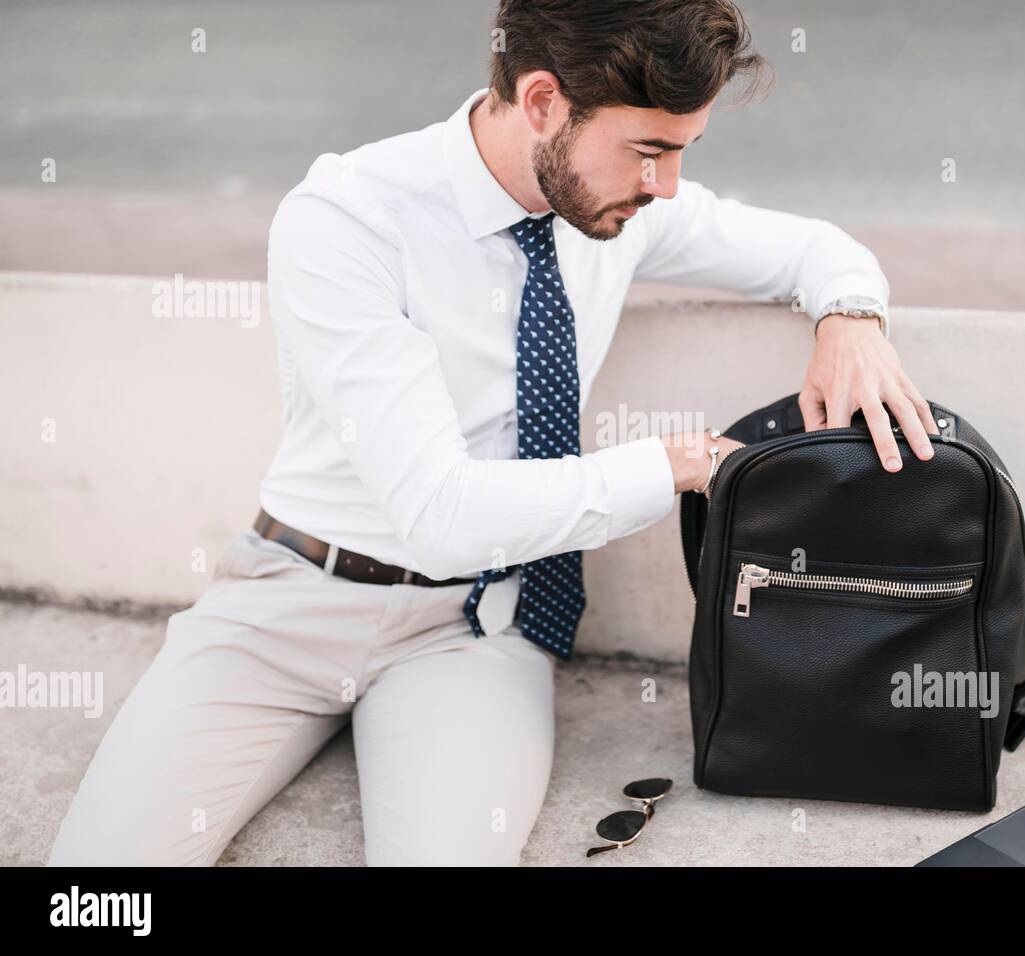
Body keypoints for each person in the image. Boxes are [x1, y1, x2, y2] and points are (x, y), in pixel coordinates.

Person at [47, 0, 937, 867]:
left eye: (683, 153)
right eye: (649, 150)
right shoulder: (349, 217)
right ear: (544, 100)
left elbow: (816, 250)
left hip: (475, 626)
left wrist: (851, 320)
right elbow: (438, 511)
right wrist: (682, 463)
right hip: (286, 603)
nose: (665, 186)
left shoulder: (616, 206)